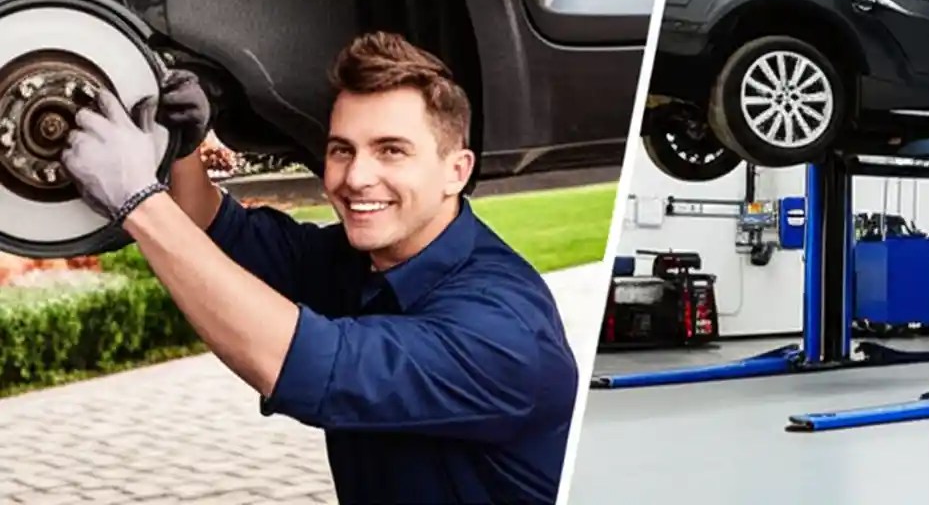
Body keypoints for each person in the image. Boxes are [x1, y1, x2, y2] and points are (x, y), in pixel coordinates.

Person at [59, 32, 580, 505]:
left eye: (391, 151)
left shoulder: (505, 333)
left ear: (456, 171)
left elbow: (300, 363)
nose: (357, 177)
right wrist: (183, 148)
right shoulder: (357, 262)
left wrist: (137, 199)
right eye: (341, 150)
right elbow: (215, 228)